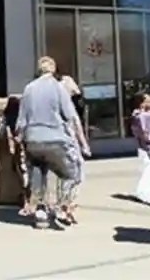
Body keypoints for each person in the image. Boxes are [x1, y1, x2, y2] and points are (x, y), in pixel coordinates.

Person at [15, 56, 80, 229]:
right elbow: (70, 115)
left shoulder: (28, 89)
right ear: (53, 69)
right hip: (54, 138)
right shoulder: (58, 88)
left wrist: (19, 138)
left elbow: (21, 120)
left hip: (32, 139)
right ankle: (61, 206)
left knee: (38, 173)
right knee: (70, 173)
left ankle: (40, 212)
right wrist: (80, 139)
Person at [56, 73, 92, 225]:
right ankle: (67, 206)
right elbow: (76, 125)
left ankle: (64, 207)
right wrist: (85, 145)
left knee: (64, 177)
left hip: (58, 143)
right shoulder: (66, 103)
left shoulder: (54, 103)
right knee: (75, 176)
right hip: (69, 144)